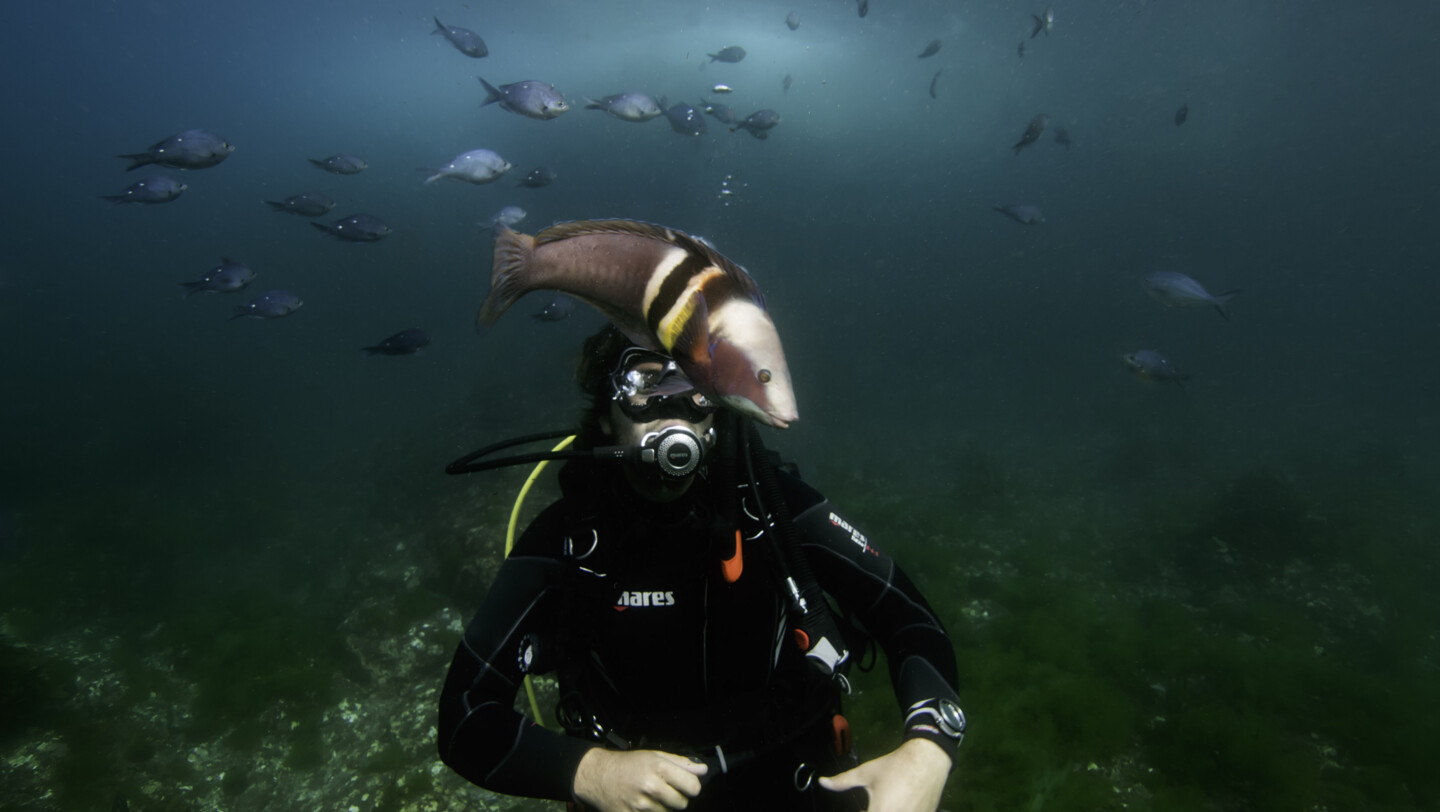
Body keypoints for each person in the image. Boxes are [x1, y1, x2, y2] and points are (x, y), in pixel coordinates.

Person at [437, 324, 964, 811]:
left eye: (696, 381)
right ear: (605, 412)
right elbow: (464, 714)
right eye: (646, 380)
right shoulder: (567, 540)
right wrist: (591, 772)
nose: (674, 401)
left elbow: (910, 620)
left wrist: (929, 747)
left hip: (797, 784)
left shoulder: (774, 508)